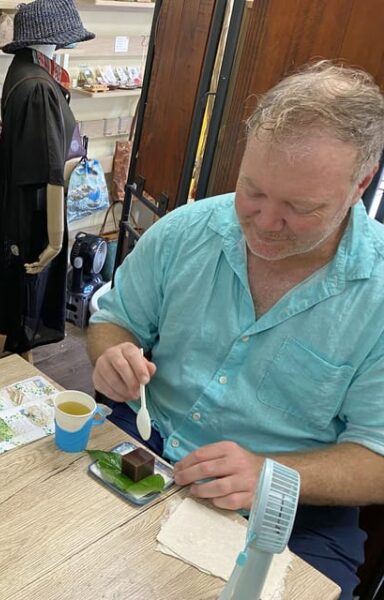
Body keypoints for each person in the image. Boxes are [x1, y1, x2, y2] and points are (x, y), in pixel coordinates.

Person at [88, 61, 384, 599]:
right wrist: (113, 354)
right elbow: (114, 321)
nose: (265, 223)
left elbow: (377, 459)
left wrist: (271, 474)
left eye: (300, 207)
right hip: (148, 444)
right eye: (253, 191)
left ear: (360, 183)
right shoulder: (188, 230)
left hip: (297, 510)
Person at [0, 0, 92, 354]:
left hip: (14, 201)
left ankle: (16, 363)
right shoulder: (39, 87)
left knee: (17, 296)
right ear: (53, 39)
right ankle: (19, 373)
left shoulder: (20, 71)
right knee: (27, 299)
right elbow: (50, 170)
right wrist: (56, 240)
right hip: (35, 213)